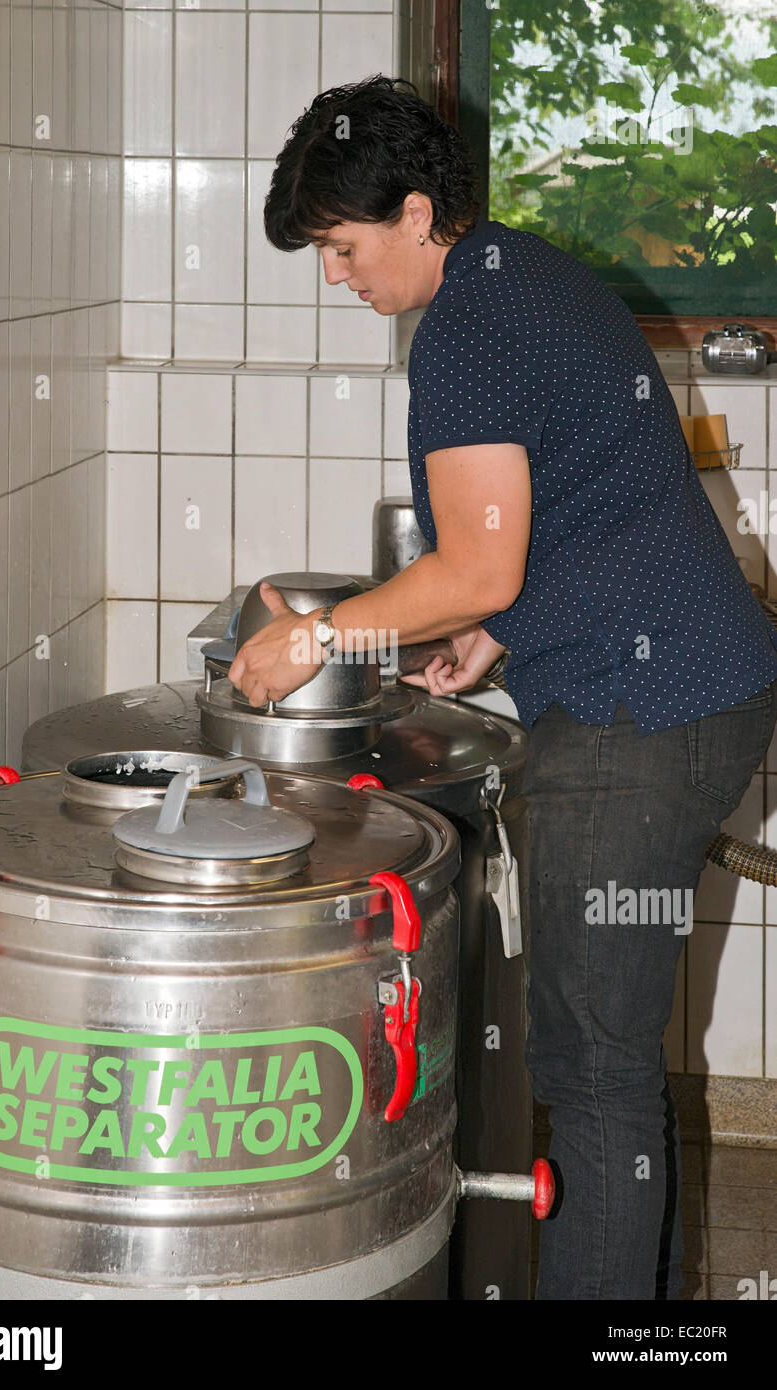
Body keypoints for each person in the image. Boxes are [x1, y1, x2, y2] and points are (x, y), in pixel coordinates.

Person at [227, 74, 777, 1300]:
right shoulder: (519, 273)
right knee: (613, 1063)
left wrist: (315, 639)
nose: (337, 275)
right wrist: (492, 634)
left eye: (343, 246)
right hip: (689, 681)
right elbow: (568, 506)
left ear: (418, 214)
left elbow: (478, 558)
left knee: (589, 1074)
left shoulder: (468, 332)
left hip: (646, 718)